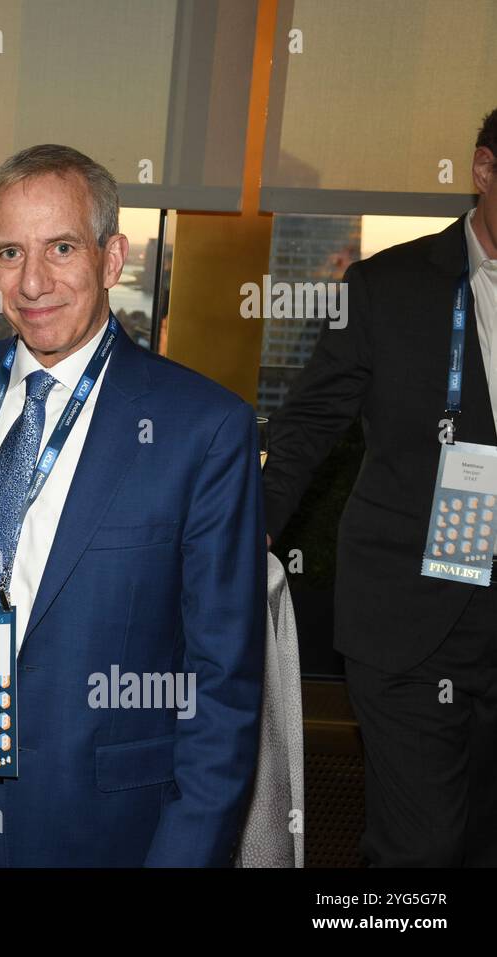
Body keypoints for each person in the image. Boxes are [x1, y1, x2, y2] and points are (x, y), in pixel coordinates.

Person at [0, 144, 265, 867]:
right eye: (10, 252)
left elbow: (223, 684)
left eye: (61, 247)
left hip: (106, 817)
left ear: (112, 258)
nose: (34, 281)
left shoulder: (201, 428)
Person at [263, 108, 497, 866]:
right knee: (420, 849)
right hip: (413, 623)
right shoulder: (390, 286)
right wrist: (244, 537)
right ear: (484, 171)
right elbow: (305, 428)